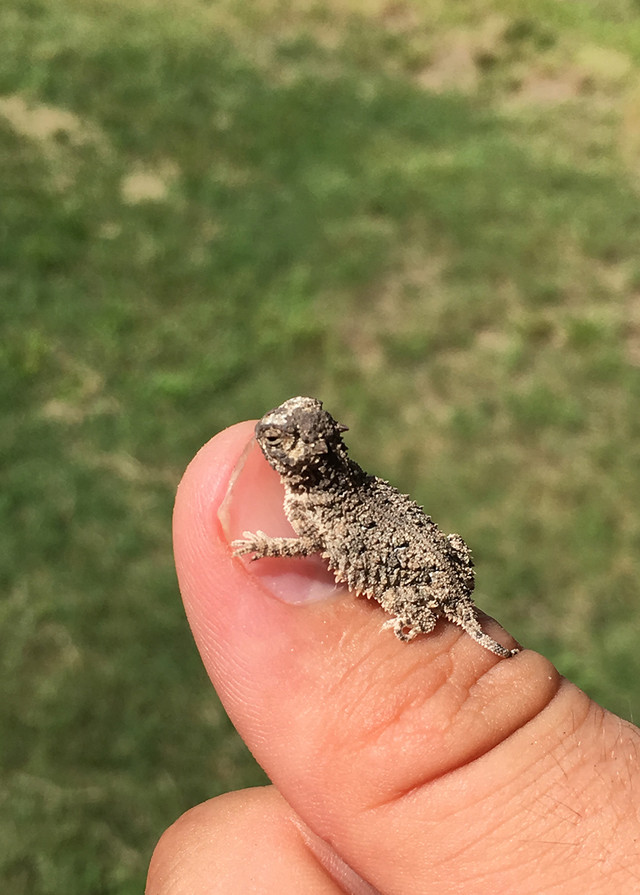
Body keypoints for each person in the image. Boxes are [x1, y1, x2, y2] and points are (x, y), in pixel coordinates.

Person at [146, 420, 640, 894]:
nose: (267, 438)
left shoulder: (314, 502)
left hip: (415, 580)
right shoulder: (332, 485)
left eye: (277, 438)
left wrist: (265, 544)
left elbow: (314, 544)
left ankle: (419, 614)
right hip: (442, 559)